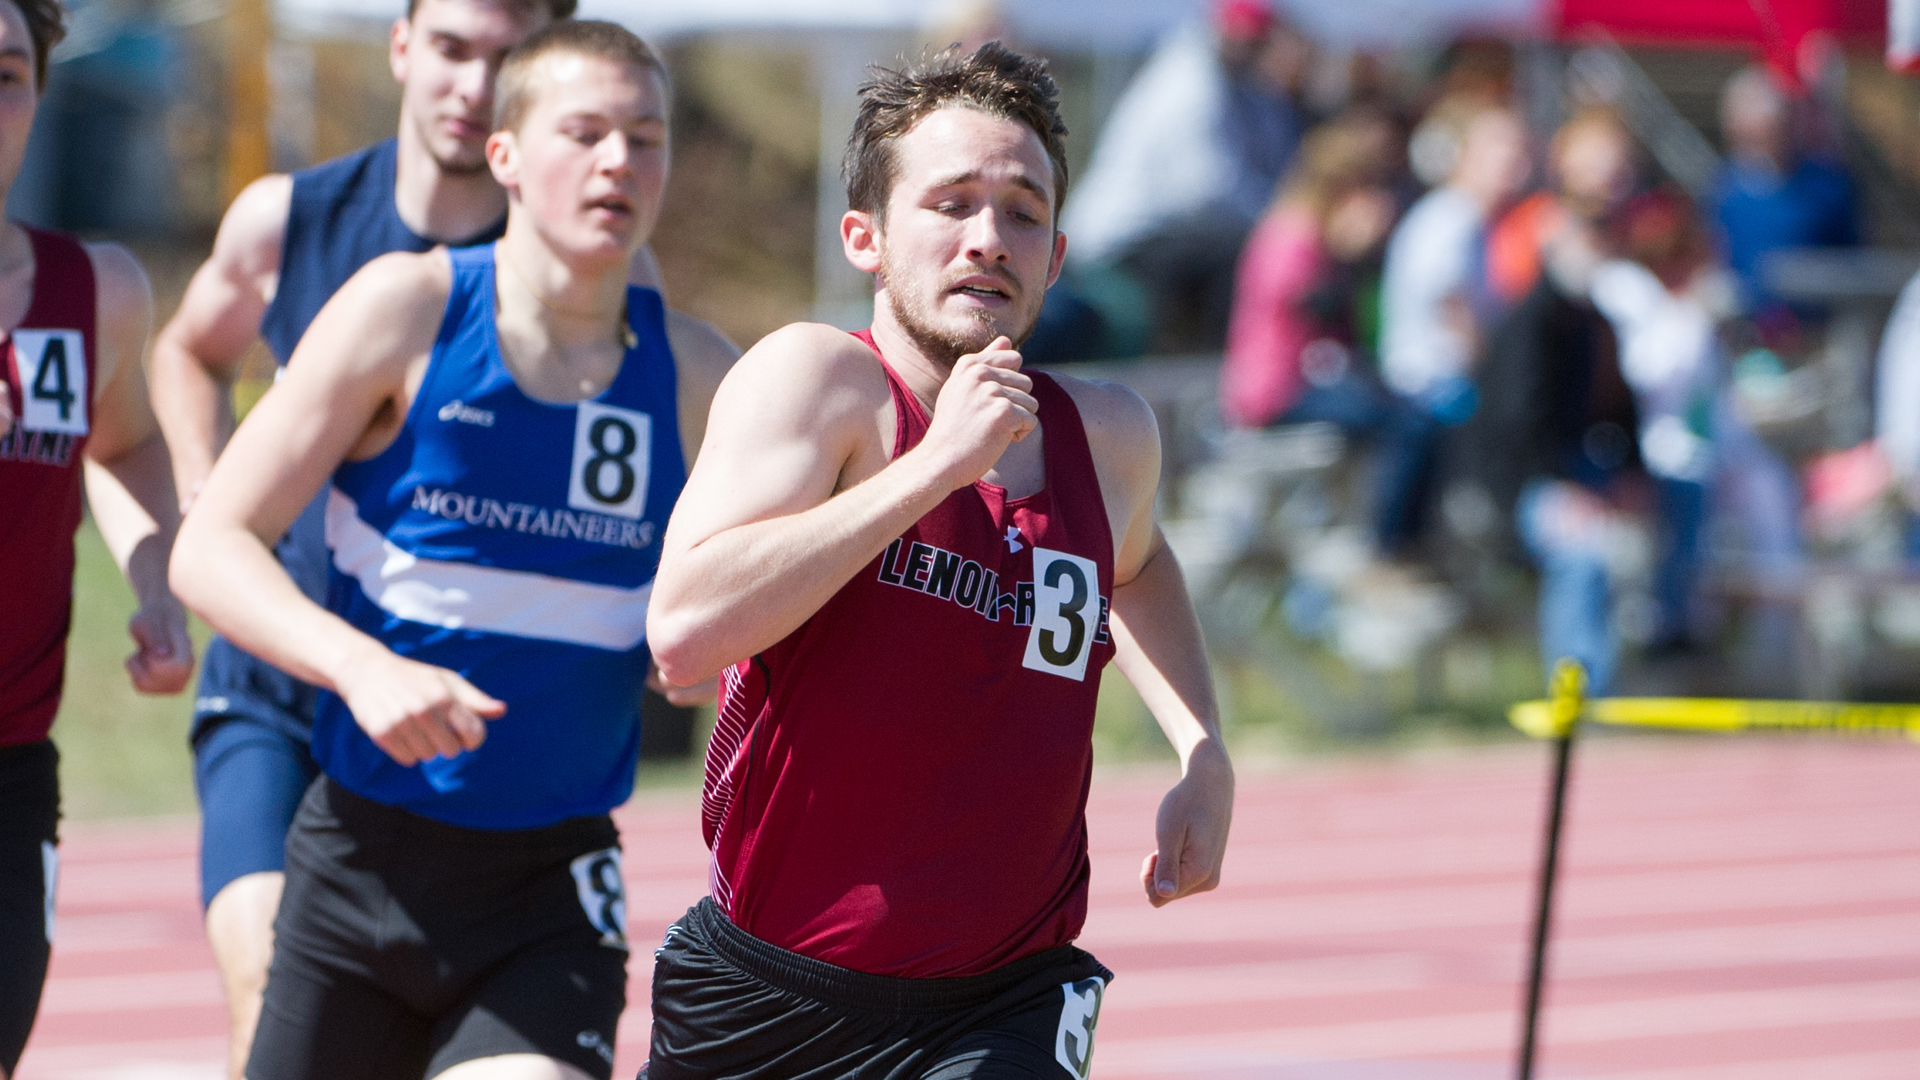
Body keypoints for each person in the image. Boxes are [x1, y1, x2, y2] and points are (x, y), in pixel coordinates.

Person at [643, 42, 1235, 1079]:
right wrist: (931, 474)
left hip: (1006, 997)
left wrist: (1202, 749)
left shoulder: (1107, 438)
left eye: (1021, 211)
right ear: (865, 238)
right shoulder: (820, 386)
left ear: (1057, 255)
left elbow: (1137, 571)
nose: (987, 239)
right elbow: (684, 630)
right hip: (775, 991)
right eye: (951, 203)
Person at [169, 21, 733, 1080]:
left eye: (646, 137)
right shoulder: (407, 310)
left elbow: (787, 605)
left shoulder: (704, 378)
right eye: (587, 131)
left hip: (547, 887)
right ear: (507, 155)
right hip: (358, 866)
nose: (620, 161)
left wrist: (725, 653)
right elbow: (211, 546)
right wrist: (361, 665)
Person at [0, 0, 196, 1074]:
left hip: (11, 766)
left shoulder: (98, 292)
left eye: (7, 74)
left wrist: (155, 580)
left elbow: (120, 447)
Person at [1050, 0, 1299, 354]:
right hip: (1120, 242)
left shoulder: (1233, 82)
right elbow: (1206, 189)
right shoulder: (1190, 80)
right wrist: (1280, 217)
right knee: (1240, 256)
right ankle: (1226, 368)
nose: (1253, 47)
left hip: (1162, 234)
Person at [1376, 103, 1529, 552]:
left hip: (1438, 384)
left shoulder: (1467, 219)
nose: (1513, 159)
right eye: (1499, 146)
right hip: (1429, 386)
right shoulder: (1453, 218)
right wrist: (1497, 370)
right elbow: (1455, 311)